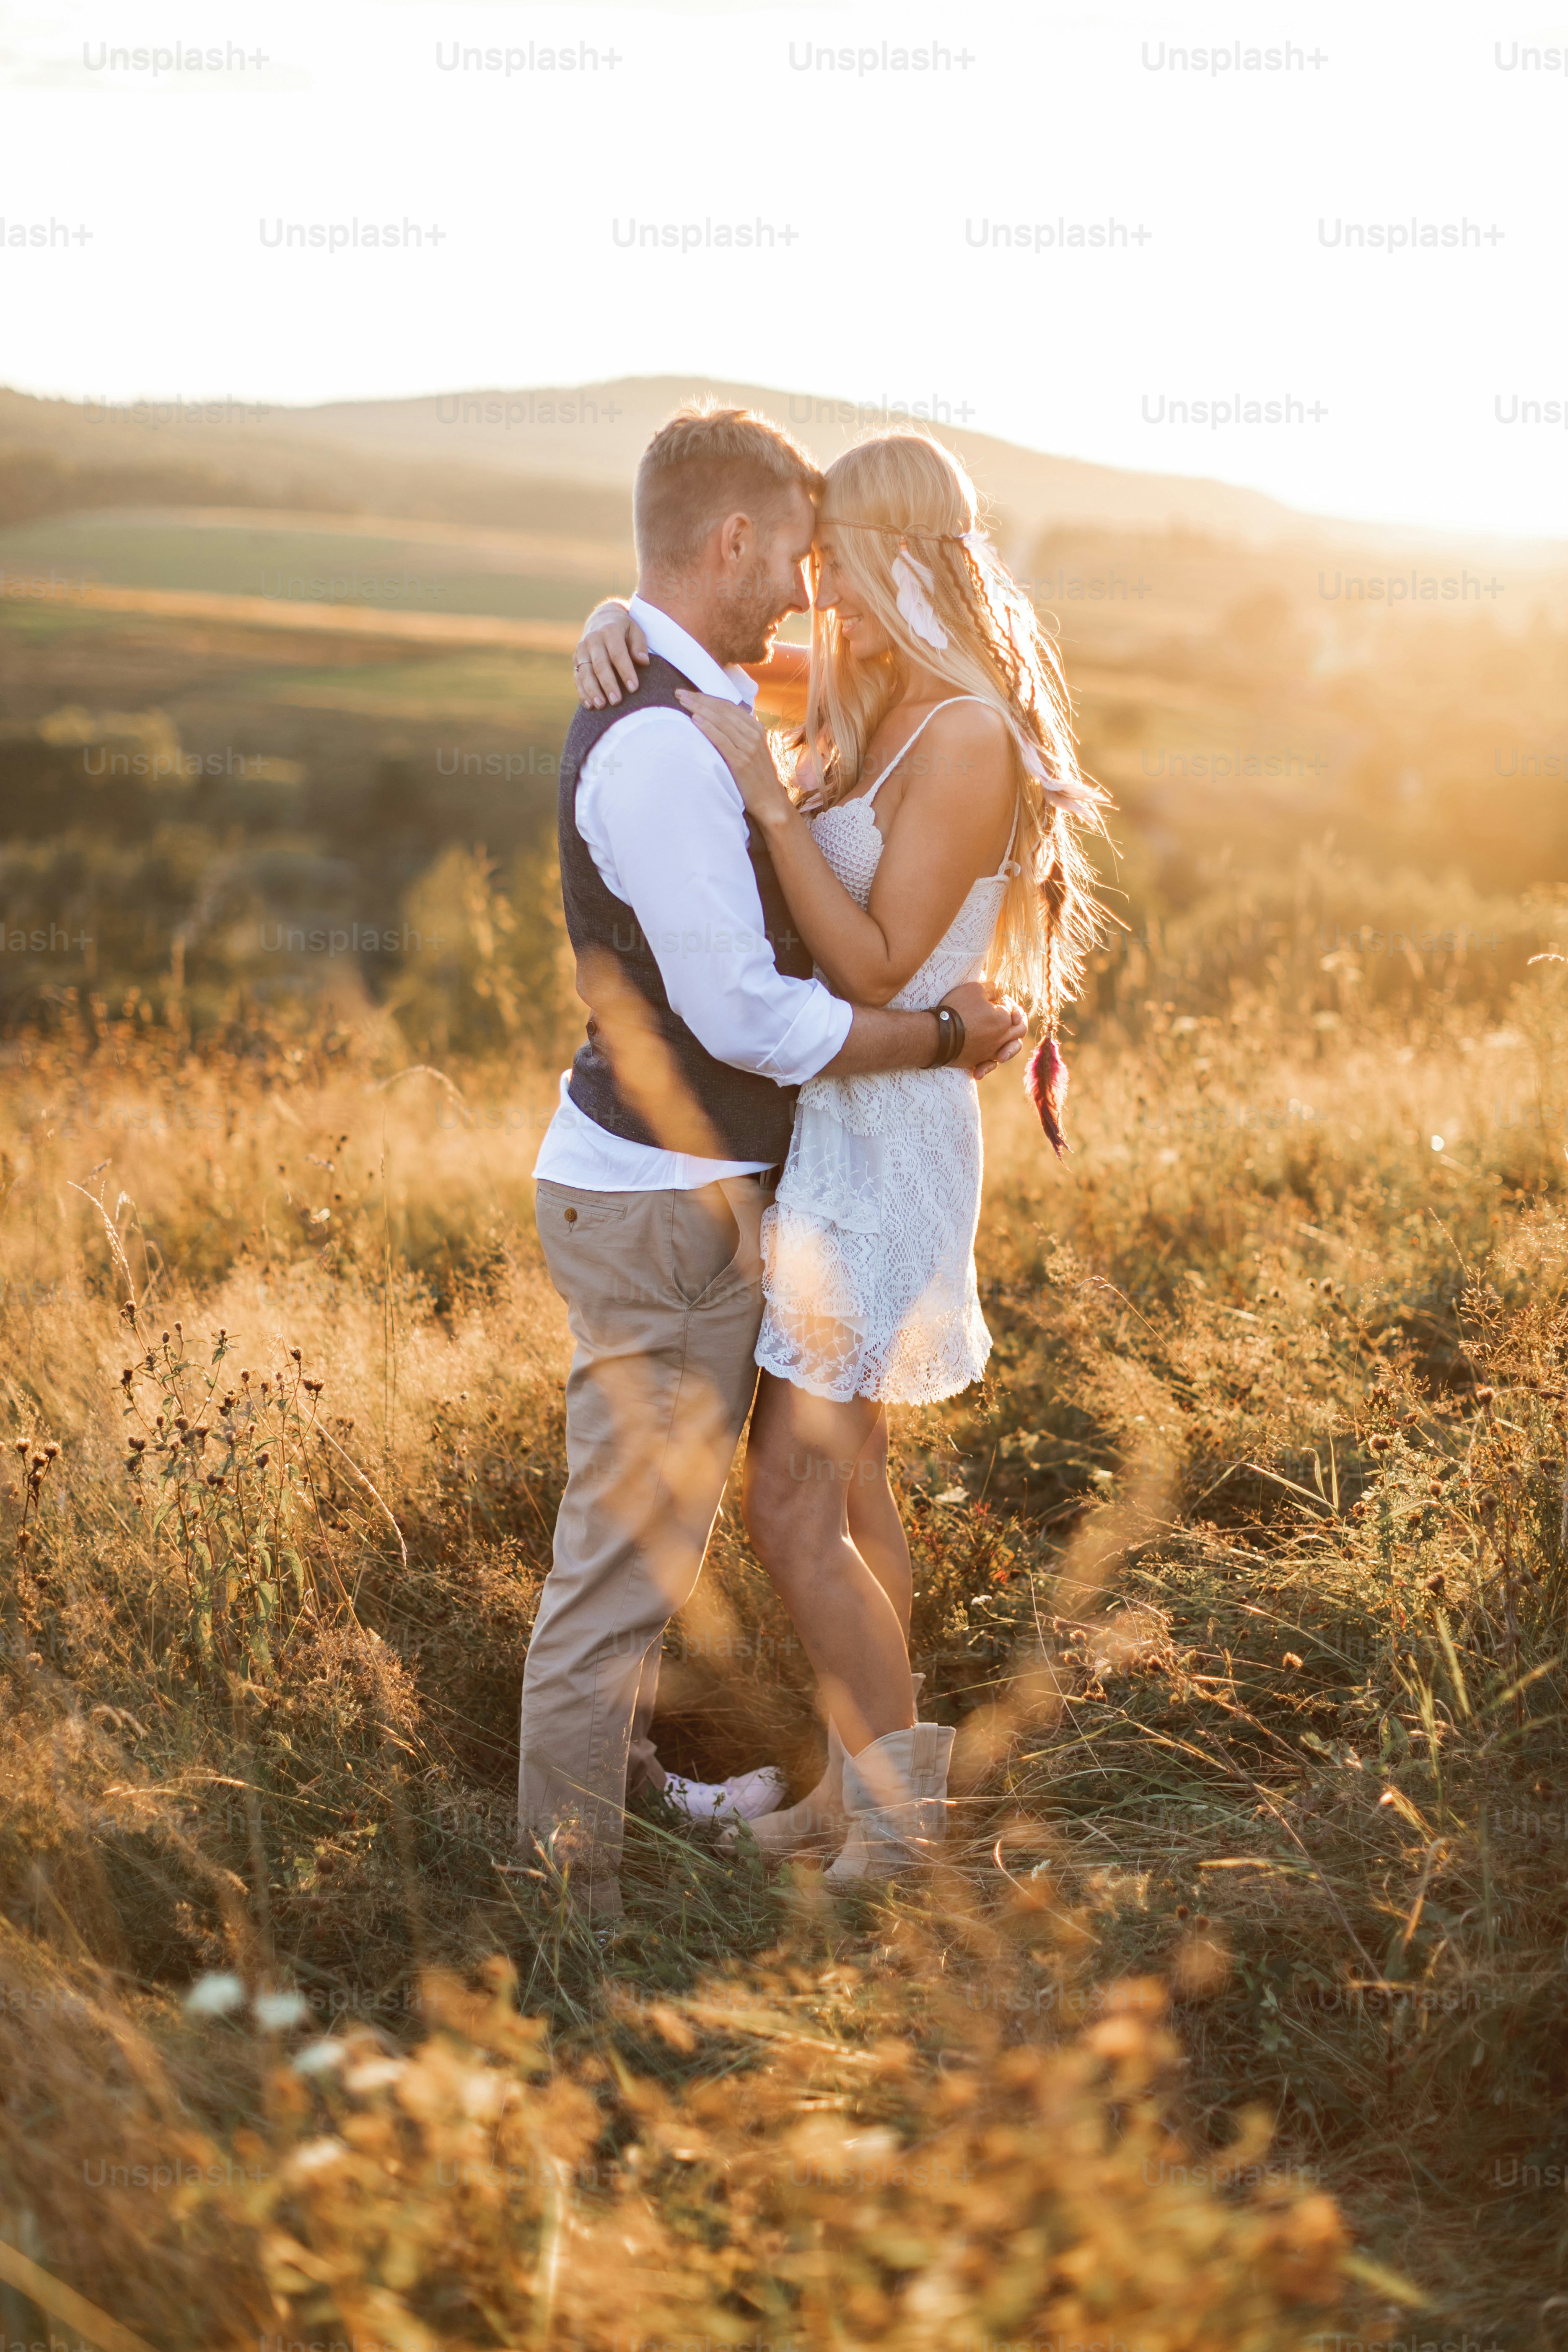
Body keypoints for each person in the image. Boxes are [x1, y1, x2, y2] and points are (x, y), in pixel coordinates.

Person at [571, 427, 1106, 1891]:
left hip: (889, 1146)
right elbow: (690, 641)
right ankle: (861, 1795)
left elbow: (871, 956)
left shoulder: (968, 735)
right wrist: (615, 623)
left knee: (793, 1501)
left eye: (838, 568)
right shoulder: (878, 703)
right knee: (851, 1485)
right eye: (808, 572)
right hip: (843, 1126)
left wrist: (761, 790)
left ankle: (894, 1828)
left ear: (897, 553)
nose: (816, 603)